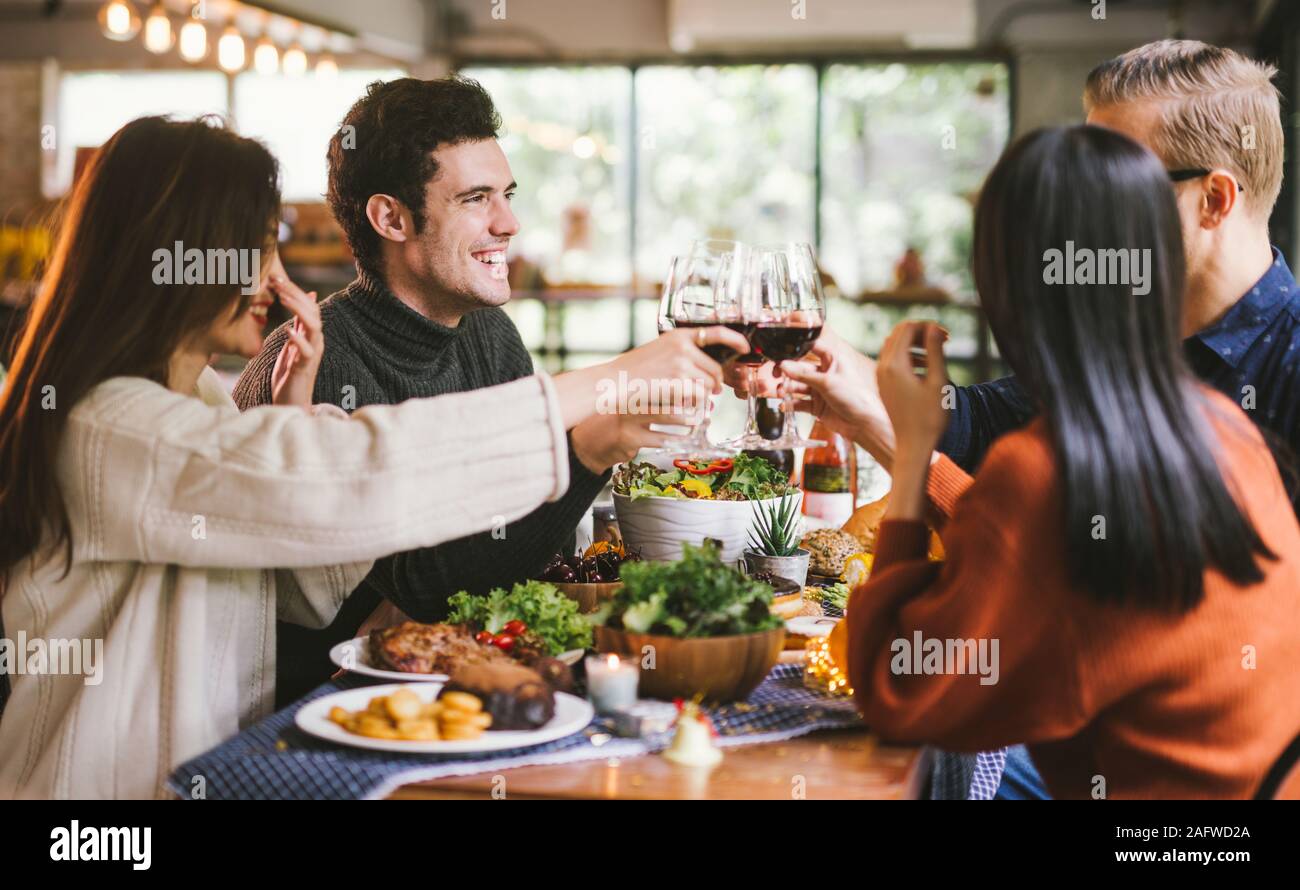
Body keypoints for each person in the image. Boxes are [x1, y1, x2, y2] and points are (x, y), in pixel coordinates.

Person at [0, 116, 743, 799]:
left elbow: (301, 591)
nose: (274, 274)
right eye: (257, 246)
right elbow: (347, 481)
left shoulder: (192, 395)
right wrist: (603, 387)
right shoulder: (106, 424)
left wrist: (294, 419)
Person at [797, 124, 1300, 798]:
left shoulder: (1048, 471)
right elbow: (1038, 550)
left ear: (1006, 284)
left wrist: (916, 457)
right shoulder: (1229, 433)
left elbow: (897, 686)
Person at [233, 76, 669, 704]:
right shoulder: (309, 361)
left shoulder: (489, 333)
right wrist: (588, 451)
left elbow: (504, 544)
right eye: (476, 198)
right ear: (391, 218)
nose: (510, 222)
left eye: (508, 194)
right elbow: (425, 591)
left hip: (461, 692)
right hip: (327, 721)